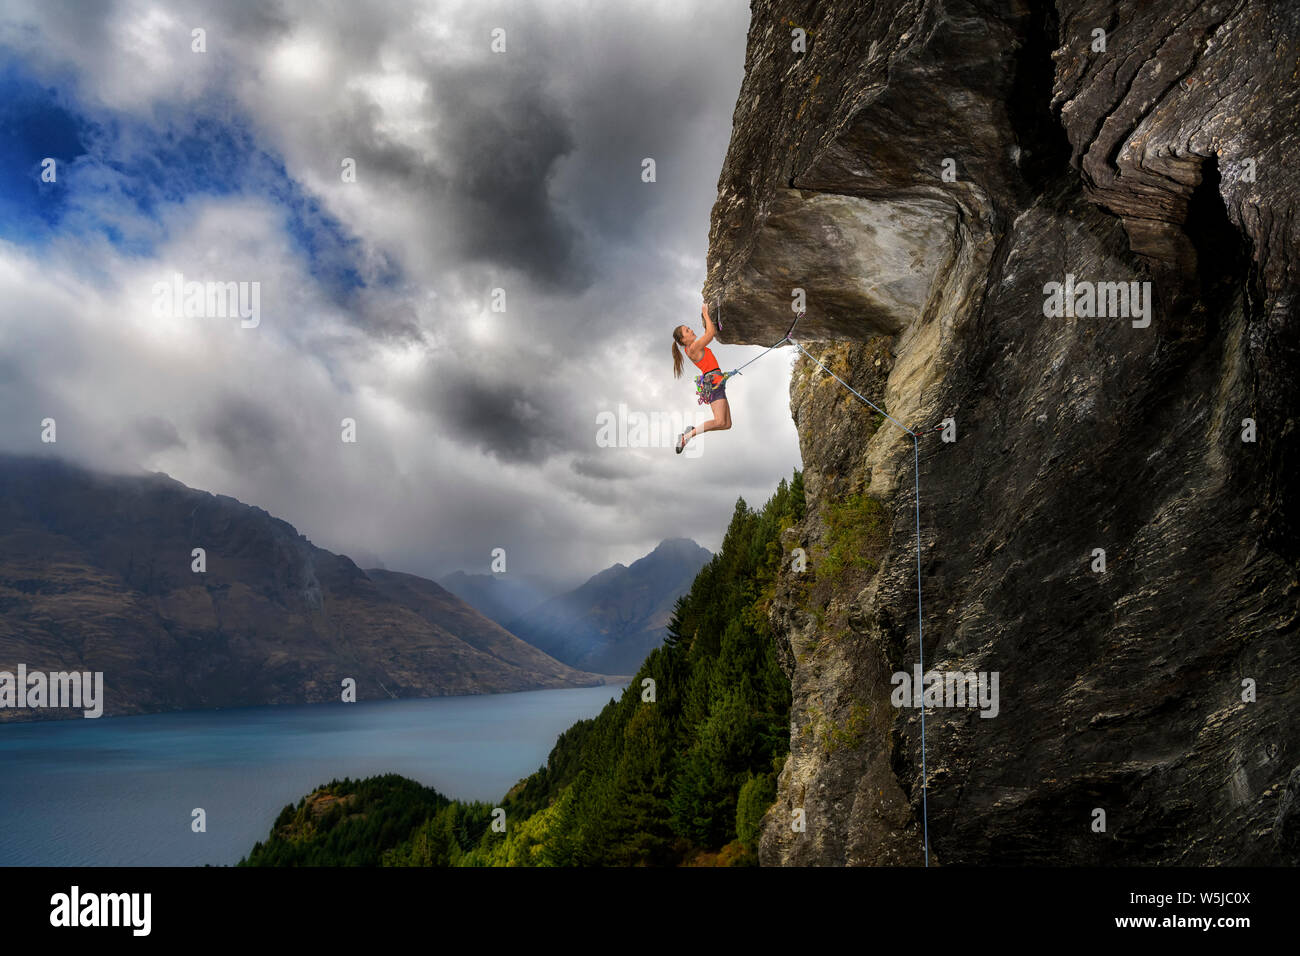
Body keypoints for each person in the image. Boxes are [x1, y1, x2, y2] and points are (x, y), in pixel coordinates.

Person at [671, 302, 732, 454]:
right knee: (719, 421)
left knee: (726, 424)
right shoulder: (692, 348)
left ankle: (690, 433)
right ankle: (687, 436)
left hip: (716, 381)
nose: (691, 330)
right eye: (687, 330)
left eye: (688, 328)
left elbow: (707, 332)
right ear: (683, 340)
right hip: (713, 383)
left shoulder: (694, 347)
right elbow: (711, 334)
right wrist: (705, 313)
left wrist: (708, 319)